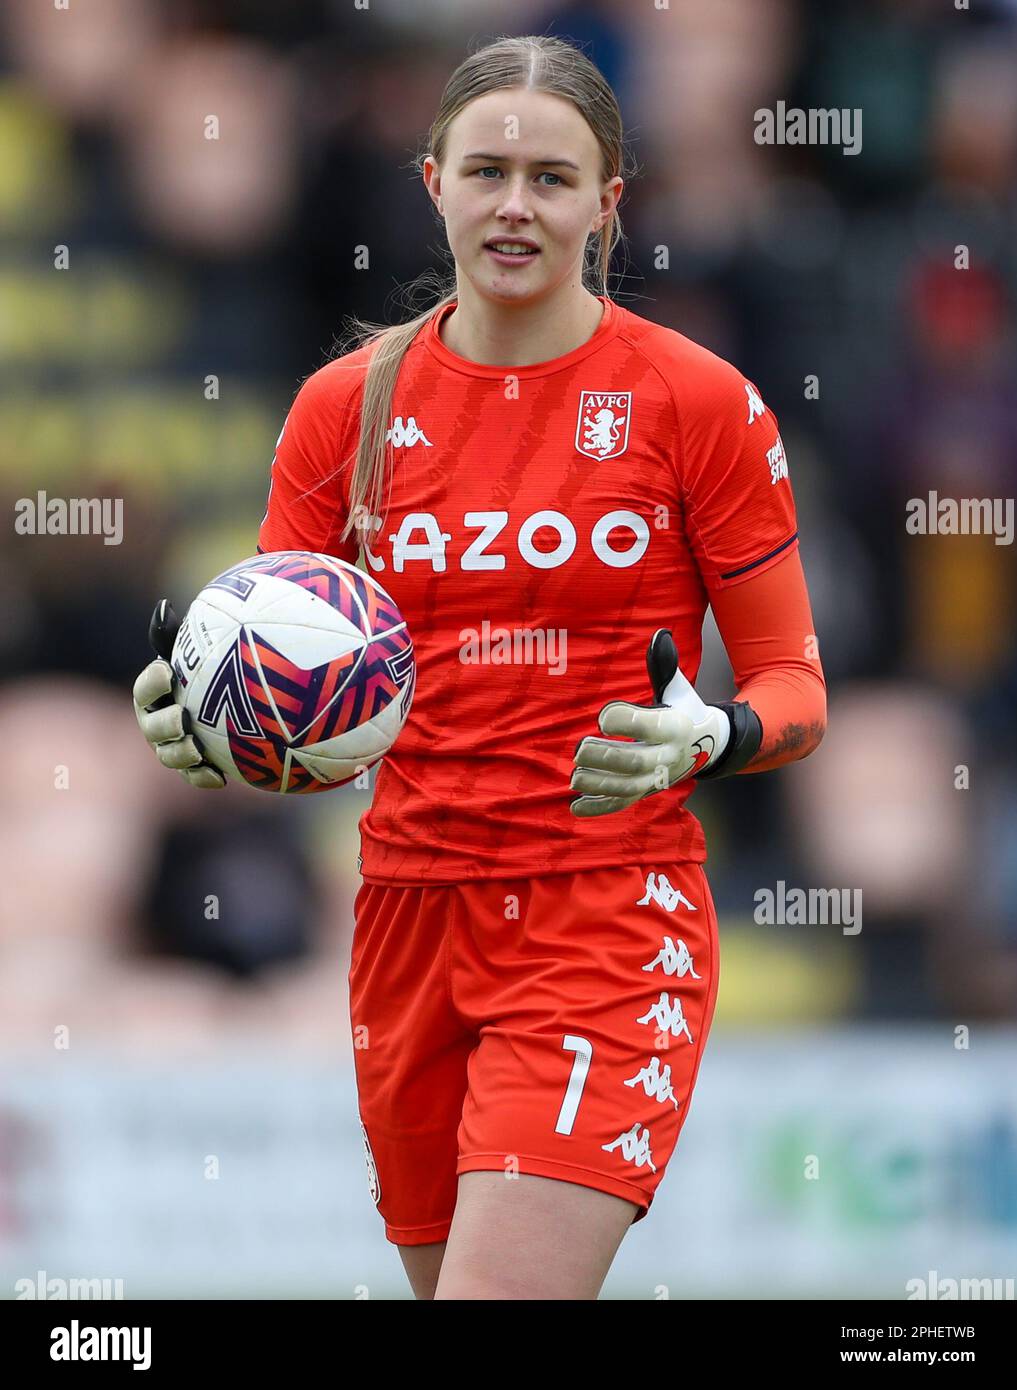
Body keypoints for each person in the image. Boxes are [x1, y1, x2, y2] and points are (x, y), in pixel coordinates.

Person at [133, 34, 826, 1300]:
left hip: (603, 915)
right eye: (487, 170)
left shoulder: (694, 402)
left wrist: (710, 734)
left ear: (608, 203)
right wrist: (199, 721)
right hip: (404, 911)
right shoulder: (342, 409)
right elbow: (274, 663)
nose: (516, 205)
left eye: (553, 179)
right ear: (432, 182)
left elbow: (793, 684)